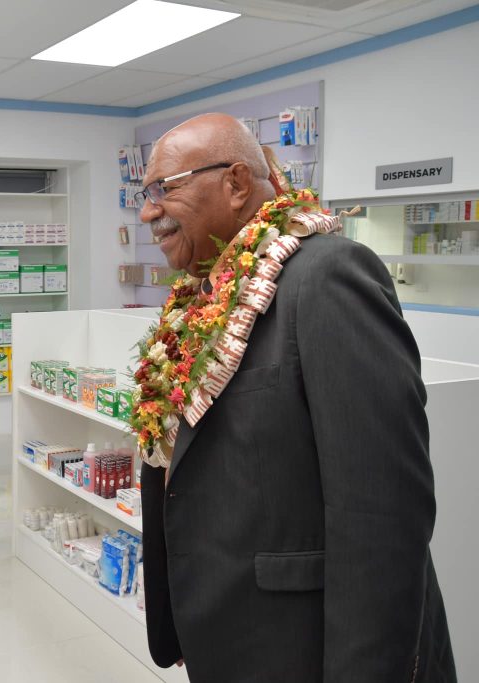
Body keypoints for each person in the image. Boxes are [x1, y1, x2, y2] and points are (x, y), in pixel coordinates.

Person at [135, 113, 455, 682]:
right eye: (146, 194)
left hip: (304, 648)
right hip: (228, 631)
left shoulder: (327, 276)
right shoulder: (202, 296)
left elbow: (381, 513)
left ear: (236, 183)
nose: (147, 212)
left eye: (165, 188)